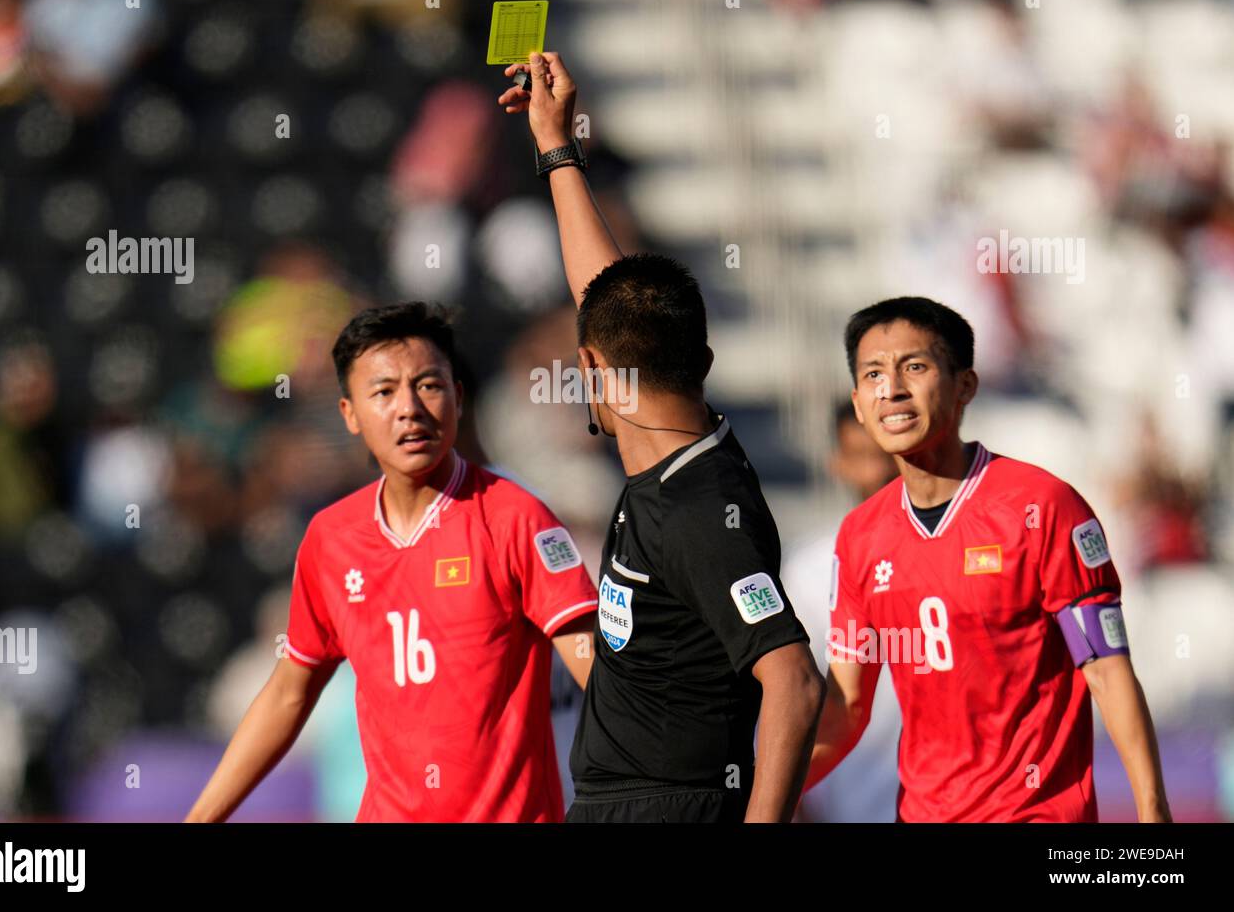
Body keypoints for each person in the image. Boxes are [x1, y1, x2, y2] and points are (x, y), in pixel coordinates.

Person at [498, 52, 825, 823]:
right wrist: (556, 150)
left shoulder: (701, 513)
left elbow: (795, 680)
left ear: (590, 370)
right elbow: (605, 301)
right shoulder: (671, 451)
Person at [186, 303, 598, 822]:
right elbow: (289, 694)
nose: (409, 408)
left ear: (458, 397)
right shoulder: (330, 539)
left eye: (428, 385)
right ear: (349, 414)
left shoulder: (516, 517)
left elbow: (603, 677)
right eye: (383, 392)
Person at [805, 296, 1171, 822]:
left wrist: (1153, 812)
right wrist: (757, 802)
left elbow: (1107, 672)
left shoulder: (1043, 508)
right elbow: (848, 707)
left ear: (965, 386)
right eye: (873, 374)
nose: (893, 389)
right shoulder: (859, 537)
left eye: (915, 366)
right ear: (859, 404)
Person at [782, 401, 901, 821]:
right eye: (865, 457)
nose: (881, 472)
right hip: (848, 808)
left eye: (890, 456)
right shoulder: (810, 570)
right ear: (838, 463)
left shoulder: (955, 553)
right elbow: (792, 696)